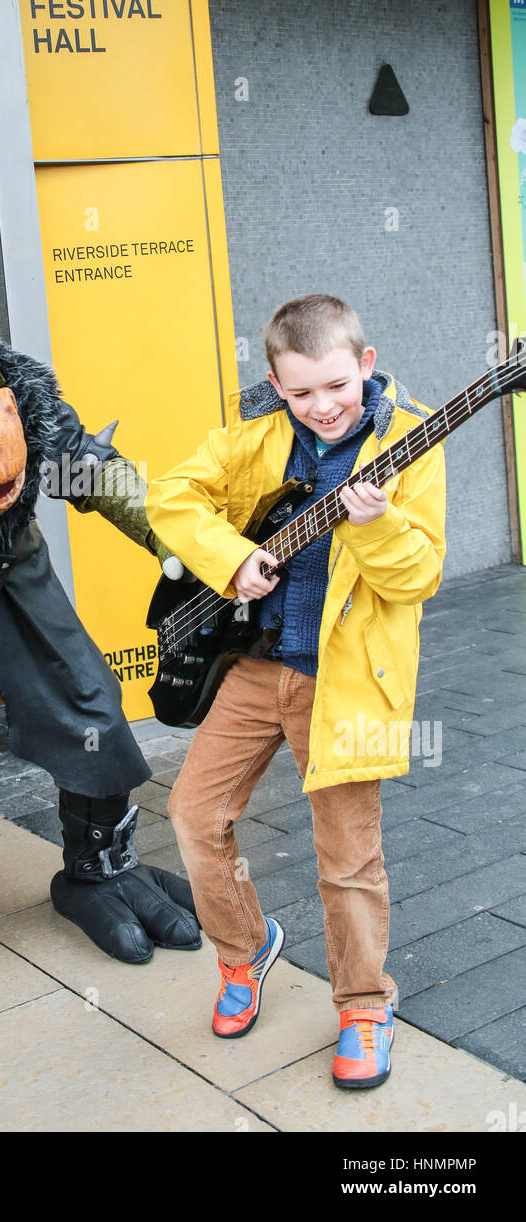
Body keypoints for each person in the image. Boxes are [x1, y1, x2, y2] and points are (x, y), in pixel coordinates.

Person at [145, 293, 446, 1089]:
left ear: (366, 364)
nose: (323, 406)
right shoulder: (257, 434)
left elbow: (420, 576)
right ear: (276, 382)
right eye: (302, 391)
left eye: (337, 386)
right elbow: (170, 495)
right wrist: (229, 561)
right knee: (192, 814)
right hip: (253, 666)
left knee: (348, 857)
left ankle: (363, 1007)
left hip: (349, 682)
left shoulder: (410, 441)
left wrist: (375, 525)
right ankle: (244, 953)